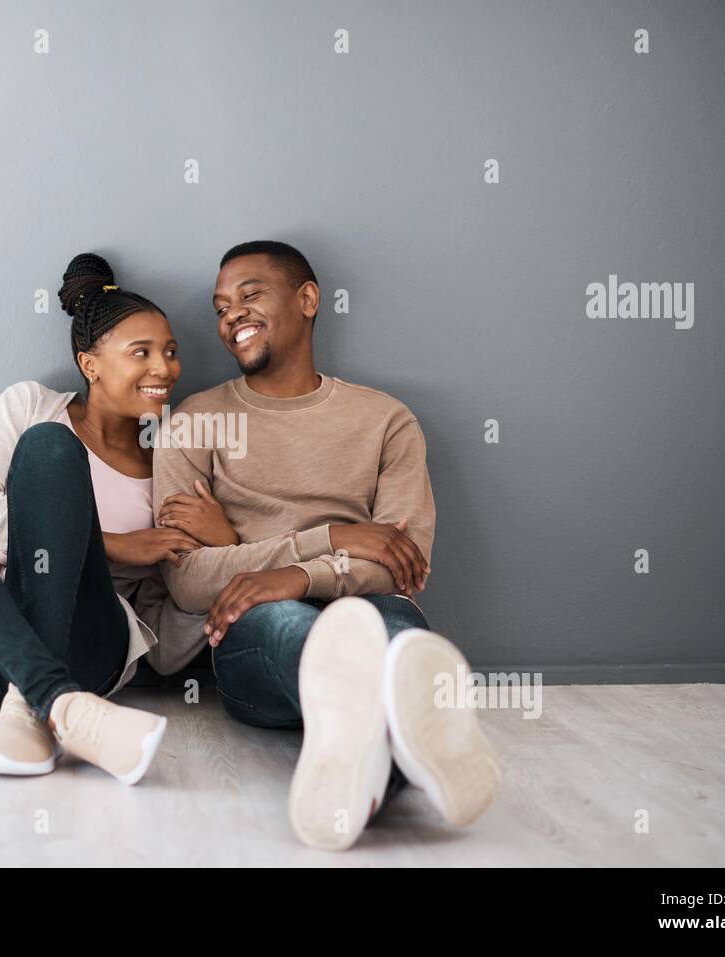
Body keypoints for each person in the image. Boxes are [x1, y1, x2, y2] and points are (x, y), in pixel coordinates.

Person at [153, 240, 503, 845]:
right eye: (220, 307)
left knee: (391, 629)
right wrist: (334, 540)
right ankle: (409, 739)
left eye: (250, 295)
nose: (230, 315)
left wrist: (295, 572)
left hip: (368, 605)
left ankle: (361, 755)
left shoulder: (386, 420)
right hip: (256, 630)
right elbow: (186, 581)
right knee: (284, 621)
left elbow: (402, 568)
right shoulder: (193, 421)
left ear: (308, 299)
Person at [0, 253, 237, 785]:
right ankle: (56, 706)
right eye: (142, 352)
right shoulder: (30, 405)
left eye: (171, 353)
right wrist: (110, 544)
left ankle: (38, 699)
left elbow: (175, 611)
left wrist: (224, 547)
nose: (165, 369)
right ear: (90, 364)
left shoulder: (173, 457)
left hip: (79, 643)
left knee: (51, 452)